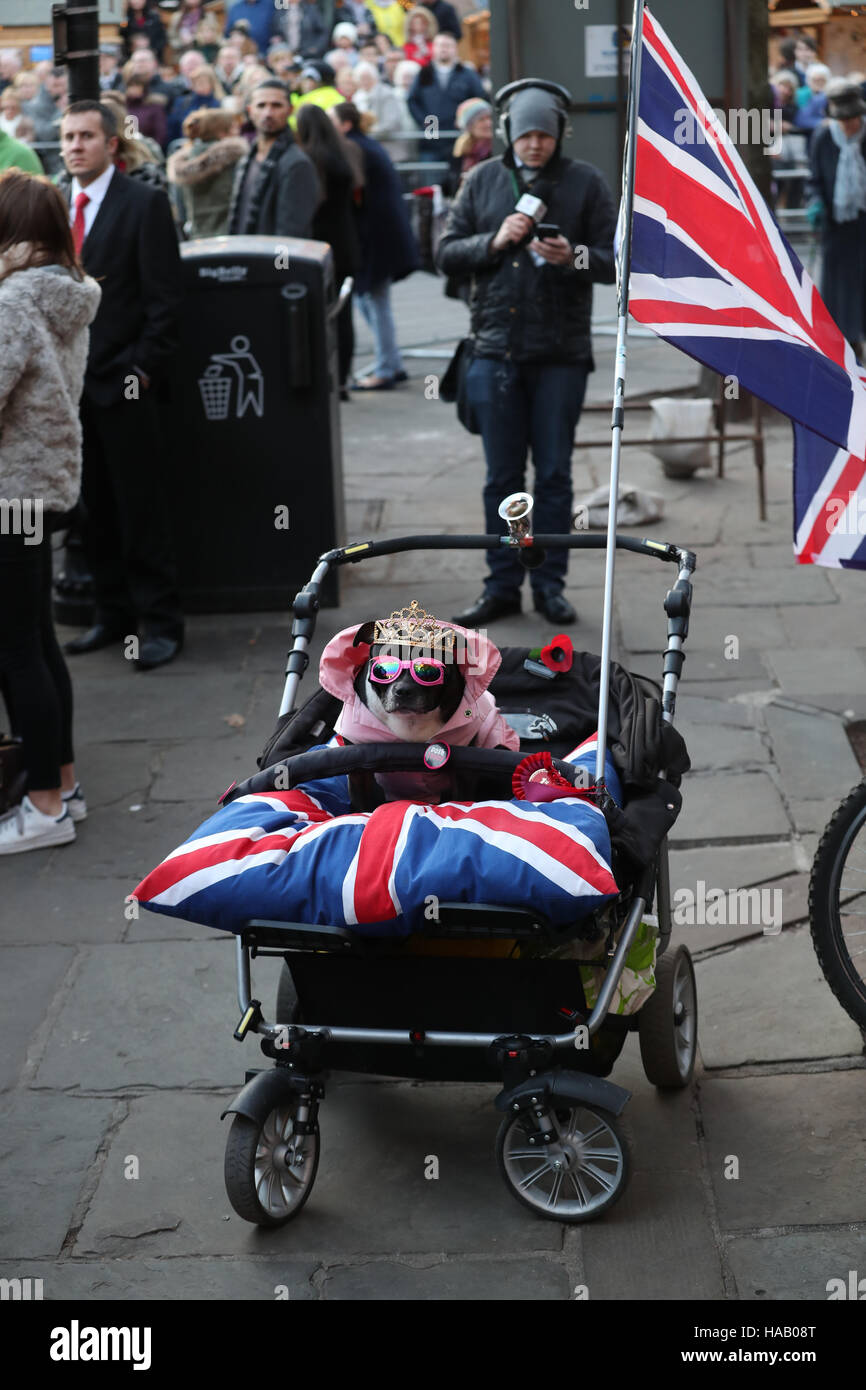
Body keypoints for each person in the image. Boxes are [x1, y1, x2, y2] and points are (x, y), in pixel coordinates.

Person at [436, 81, 617, 627]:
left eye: (546, 134)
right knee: (503, 479)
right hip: (495, 351)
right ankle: (503, 581)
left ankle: (550, 584)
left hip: (561, 353)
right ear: (510, 132)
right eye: (527, 134)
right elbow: (445, 254)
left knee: (556, 475)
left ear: (559, 133)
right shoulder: (484, 179)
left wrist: (574, 256)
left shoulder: (585, 182)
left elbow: (617, 262)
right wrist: (493, 241)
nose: (536, 144)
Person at [58, 100, 185, 669]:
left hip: (125, 386)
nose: (74, 146)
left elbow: (165, 300)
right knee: (93, 513)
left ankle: (160, 624)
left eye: (85, 136)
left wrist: (141, 370)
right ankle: (112, 617)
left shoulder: (144, 203)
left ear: (112, 143)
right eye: (66, 137)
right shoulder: (56, 205)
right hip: (68, 388)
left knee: (143, 510)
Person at [0, 170, 101, 853]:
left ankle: (42, 807)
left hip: (8, 493)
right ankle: (61, 783)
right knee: (36, 640)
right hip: (43, 487)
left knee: (16, 650)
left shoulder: (12, 300)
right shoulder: (65, 294)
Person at [331, 101, 419, 388]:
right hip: (385, 232)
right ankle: (391, 363)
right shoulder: (365, 144)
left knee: (374, 299)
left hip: (376, 235)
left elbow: (357, 194)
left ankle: (385, 368)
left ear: (345, 124)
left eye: (332, 120)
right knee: (371, 299)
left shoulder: (355, 148)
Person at [296, 103, 361, 394]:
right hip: (344, 243)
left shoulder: (307, 160)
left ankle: (327, 377)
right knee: (343, 316)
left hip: (318, 246)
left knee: (318, 316)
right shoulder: (344, 155)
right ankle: (343, 377)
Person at [809, 80, 866, 356]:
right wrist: (816, 203)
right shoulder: (823, 138)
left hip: (864, 222)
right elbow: (815, 180)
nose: (848, 126)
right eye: (842, 120)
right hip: (836, 223)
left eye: (852, 119)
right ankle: (845, 344)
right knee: (839, 286)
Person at [228, 79, 321, 235]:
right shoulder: (247, 159)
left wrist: (280, 261)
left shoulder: (296, 164)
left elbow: (290, 236)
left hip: (272, 258)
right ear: (250, 111)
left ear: (290, 110)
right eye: (261, 105)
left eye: (276, 105)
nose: (268, 113)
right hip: (245, 253)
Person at [407, 31, 485, 163]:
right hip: (431, 141)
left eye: (448, 45)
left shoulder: (467, 74)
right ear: (434, 48)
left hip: (461, 140)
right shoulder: (424, 73)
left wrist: (467, 123)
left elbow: (479, 100)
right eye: (440, 45)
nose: (444, 49)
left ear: (455, 49)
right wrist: (426, 122)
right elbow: (412, 101)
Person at [168, 107, 248, 235]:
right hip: (230, 238)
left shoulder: (183, 163)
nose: (238, 131)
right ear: (221, 133)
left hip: (196, 237)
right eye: (234, 127)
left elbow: (180, 209)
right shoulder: (234, 159)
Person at [166, 62, 223, 145]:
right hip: (185, 143)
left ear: (211, 84)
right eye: (196, 82)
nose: (199, 85)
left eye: (203, 82)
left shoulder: (218, 103)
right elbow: (174, 126)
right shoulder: (182, 102)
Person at [450, 95, 493, 190]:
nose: (488, 123)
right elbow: (453, 182)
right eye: (481, 119)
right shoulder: (461, 149)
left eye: (490, 118)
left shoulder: (498, 148)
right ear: (469, 126)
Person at [353, 59, 402, 142]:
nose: (365, 82)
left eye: (367, 78)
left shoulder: (386, 93)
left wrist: (371, 133)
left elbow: (391, 122)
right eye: (361, 78)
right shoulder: (357, 96)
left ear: (375, 77)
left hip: (387, 143)